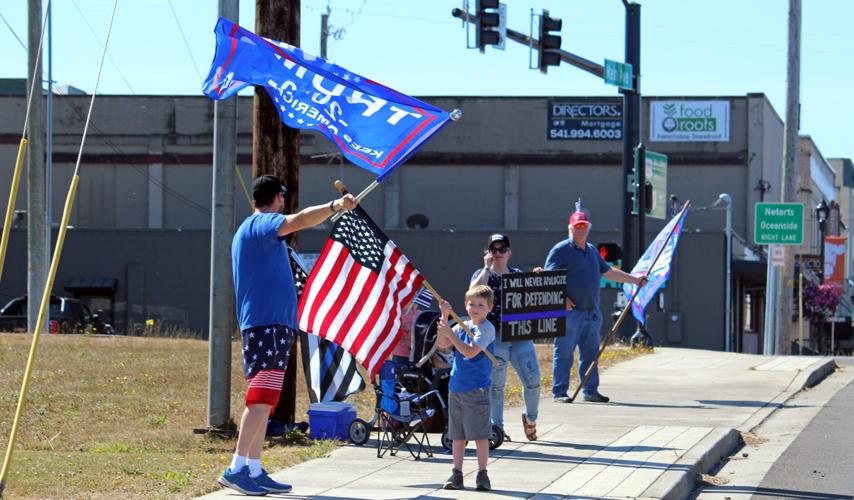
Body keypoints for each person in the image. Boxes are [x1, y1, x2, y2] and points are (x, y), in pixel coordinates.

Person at [218, 175, 356, 496]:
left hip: (273, 325)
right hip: (265, 325)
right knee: (260, 398)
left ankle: (252, 466)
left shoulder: (257, 232)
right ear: (277, 197)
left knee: (267, 400)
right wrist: (335, 206)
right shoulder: (261, 224)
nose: (284, 201)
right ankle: (236, 468)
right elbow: (301, 220)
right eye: (283, 195)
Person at [544, 205, 646, 404]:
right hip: (569, 313)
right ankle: (559, 392)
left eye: (583, 225)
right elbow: (548, 276)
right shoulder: (561, 250)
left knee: (591, 355)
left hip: (592, 313)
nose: (580, 228)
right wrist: (561, 298)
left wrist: (635, 280)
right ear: (570, 228)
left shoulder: (591, 251)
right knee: (564, 353)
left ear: (589, 227)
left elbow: (609, 272)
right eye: (577, 225)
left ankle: (590, 391)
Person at [470, 234, 540, 442]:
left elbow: (533, 298)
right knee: (497, 385)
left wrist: (538, 277)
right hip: (496, 336)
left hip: (520, 335)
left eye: (502, 250)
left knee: (533, 379)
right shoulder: (482, 275)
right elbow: (473, 293)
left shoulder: (517, 274)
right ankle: (497, 429)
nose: (498, 254)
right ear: (487, 253)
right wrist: (486, 268)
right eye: (494, 250)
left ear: (509, 252)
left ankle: (531, 419)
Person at [436, 285, 496, 492]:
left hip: (477, 388)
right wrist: (444, 316)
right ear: (465, 305)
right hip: (457, 387)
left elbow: (470, 352)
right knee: (457, 435)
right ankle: (457, 473)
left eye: (481, 305)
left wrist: (451, 336)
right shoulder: (461, 325)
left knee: (479, 434)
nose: (476, 308)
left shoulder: (486, 329)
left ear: (489, 307)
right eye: (472, 304)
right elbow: (442, 344)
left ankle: (482, 473)